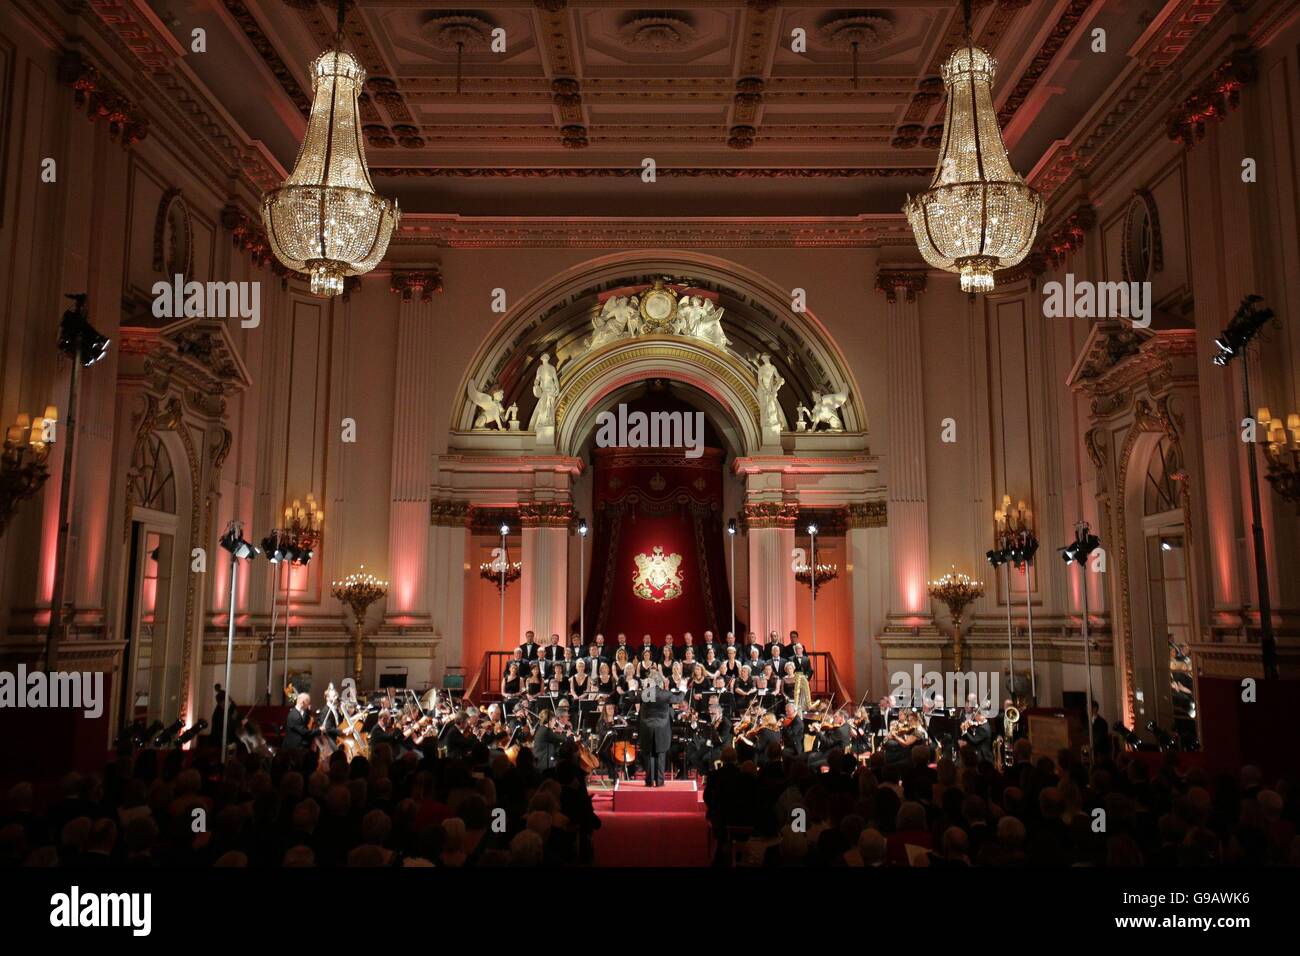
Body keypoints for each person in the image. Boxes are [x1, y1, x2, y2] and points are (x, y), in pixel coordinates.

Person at [636, 671, 681, 787]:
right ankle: (660, 781)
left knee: (649, 754)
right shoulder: (666, 694)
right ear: (660, 682)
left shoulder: (646, 694)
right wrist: (683, 690)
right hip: (662, 729)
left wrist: (633, 690)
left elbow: (632, 698)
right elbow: (678, 699)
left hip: (647, 728)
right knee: (661, 755)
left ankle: (650, 781)